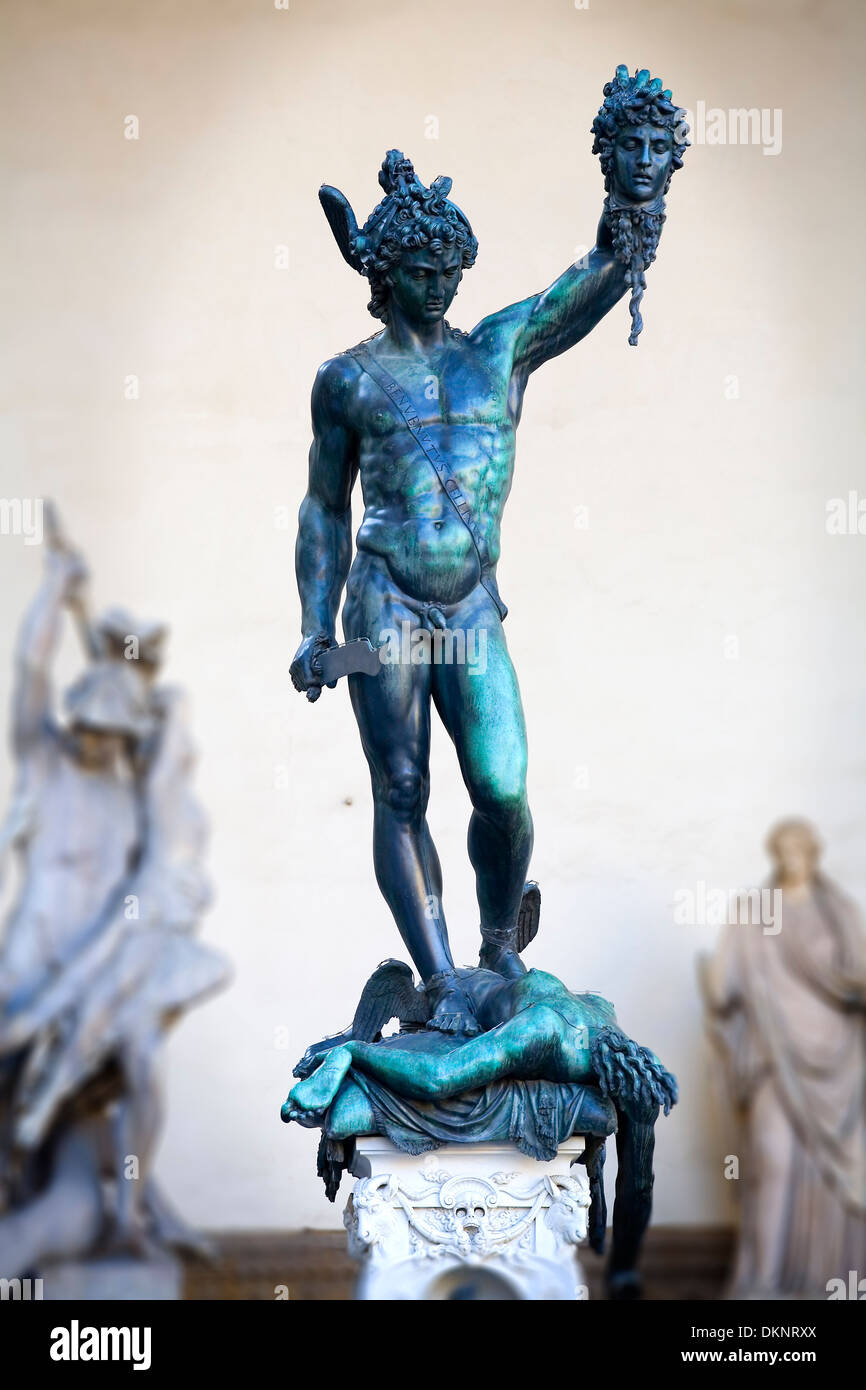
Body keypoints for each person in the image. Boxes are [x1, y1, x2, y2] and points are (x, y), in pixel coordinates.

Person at [291, 72, 688, 1035]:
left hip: (470, 607)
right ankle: (436, 980)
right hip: (382, 604)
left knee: (502, 786)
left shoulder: (499, 351)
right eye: (420, 266)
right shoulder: (344, 381)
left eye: (450, 263)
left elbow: (593, 277)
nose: (441, 280)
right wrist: (313, 626)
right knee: (401, 786)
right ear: (382, 273)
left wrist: (636, 186)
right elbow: (322, 509)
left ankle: (499, 941)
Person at [700, 819, 866, 1297]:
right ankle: (763, 1282)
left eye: (802, 846)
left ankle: (825, 1282)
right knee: (773, 1163)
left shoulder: (841, 912)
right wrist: (718, 981)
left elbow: (857, 977)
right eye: (785, 847)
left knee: (831, 1178)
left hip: (839, 1062)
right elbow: (721, 988)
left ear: (815, 851)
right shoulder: (754, 912)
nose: (794, 854)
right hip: (774, 1054)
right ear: (775, 852)